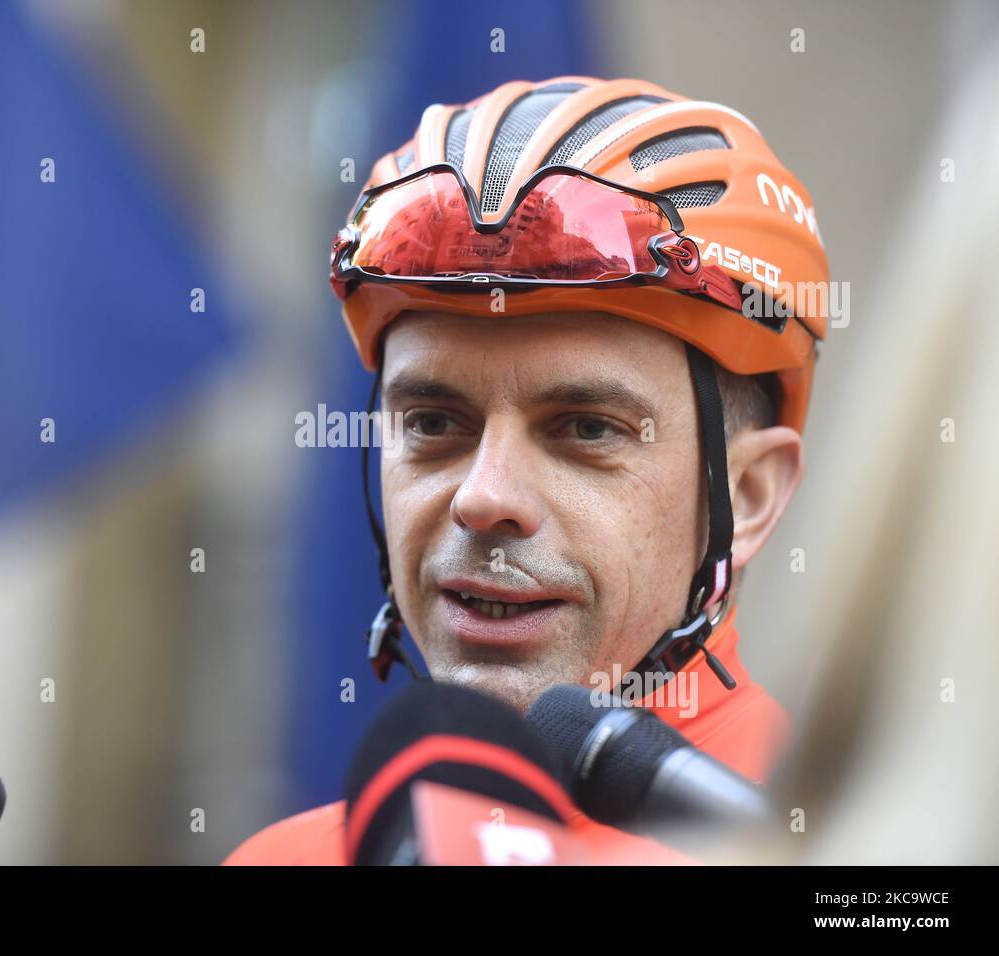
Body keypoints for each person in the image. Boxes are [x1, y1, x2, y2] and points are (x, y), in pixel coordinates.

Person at [225, 75, 828, 865]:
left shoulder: (864, 844)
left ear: (747, 498)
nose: (484, 498)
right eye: (434, 424)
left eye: (586, 429)